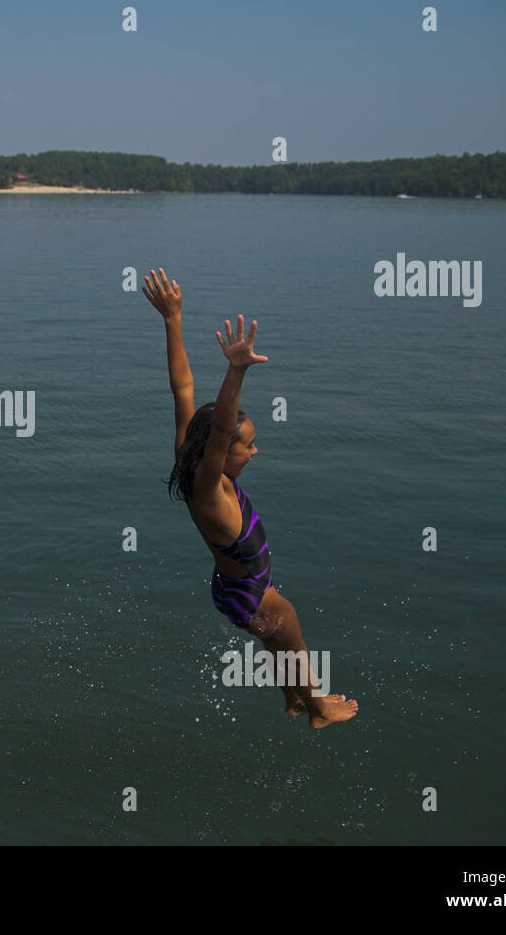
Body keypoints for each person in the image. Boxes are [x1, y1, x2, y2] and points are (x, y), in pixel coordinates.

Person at [142, 268, 358, 729]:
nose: (254, 451)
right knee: (294, 644)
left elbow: (181, 388)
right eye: (249, 445)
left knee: (278, 644)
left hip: (234, 590)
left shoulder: (189, 454)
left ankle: (292, 699)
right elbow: (221, 427)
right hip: (250, 593)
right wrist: (235, 370)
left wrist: (172, 319)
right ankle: (318, 708)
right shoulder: (208, 484)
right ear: (222, 451)